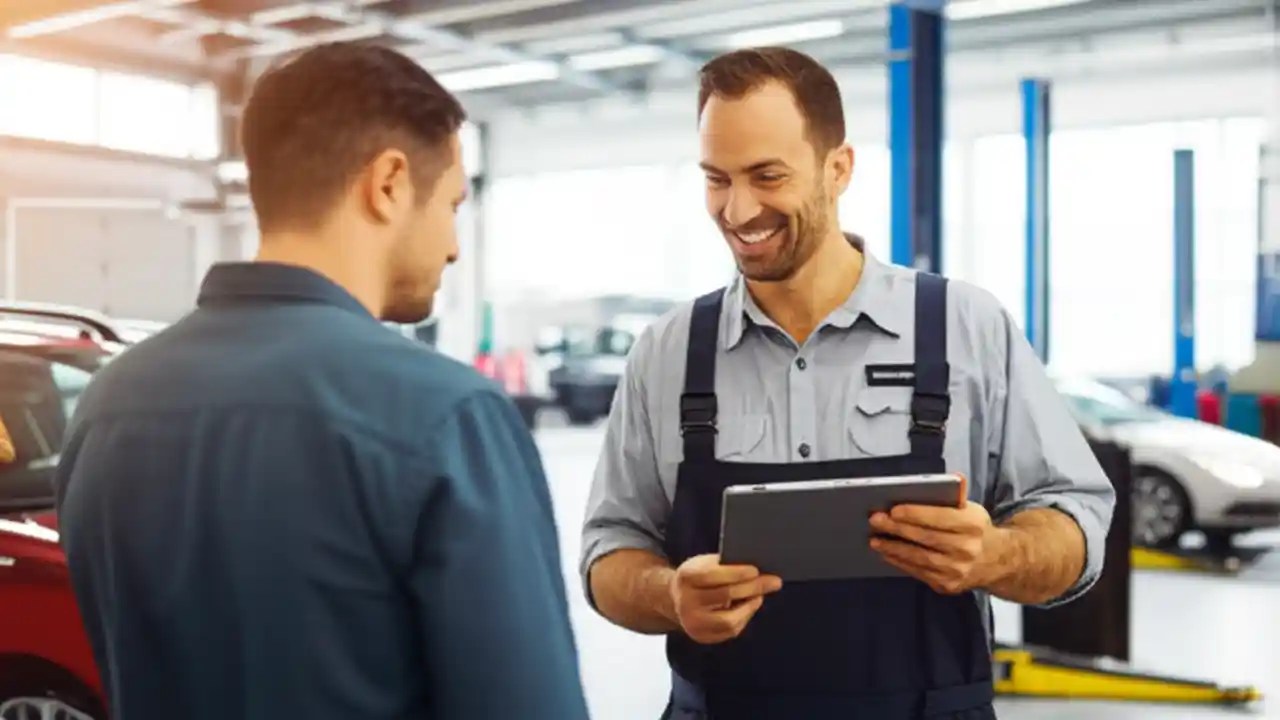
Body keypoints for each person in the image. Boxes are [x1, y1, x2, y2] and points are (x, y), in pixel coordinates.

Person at [54, 42, 589, 720]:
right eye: (452, 205)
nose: (454, 245)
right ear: (389, 183)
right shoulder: (446, 416)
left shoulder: (107, 405)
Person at [580, 47, 1116, 720]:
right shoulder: (668, 352)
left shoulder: (964, 327)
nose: (737, 210)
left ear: (839, 169)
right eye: (716, 179)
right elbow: (609, 554)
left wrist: (997, 554)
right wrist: (669, 596)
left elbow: (1075, 521)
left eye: (766, 176)